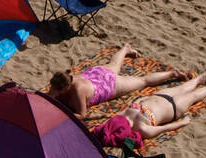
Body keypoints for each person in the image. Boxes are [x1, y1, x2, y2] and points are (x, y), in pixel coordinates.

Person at [49, 46, 190, 115]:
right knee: (114, 65)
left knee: (143, 81)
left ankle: (172, 73)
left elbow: (82, 114)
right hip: (95, 74)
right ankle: (125, 49)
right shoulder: (62, 81)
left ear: (67, 87)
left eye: (58, 90)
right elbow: (50, 97)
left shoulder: (78, 90)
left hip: (108, 84)